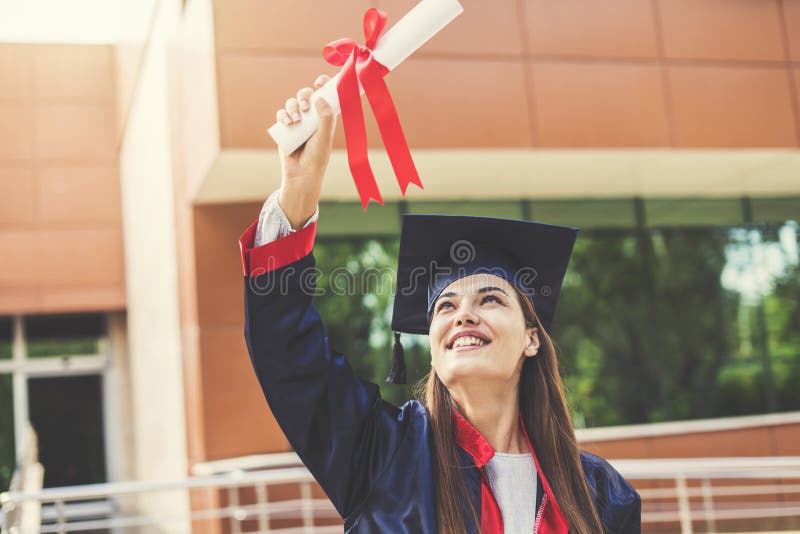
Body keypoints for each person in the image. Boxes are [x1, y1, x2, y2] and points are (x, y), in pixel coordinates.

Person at [238, 74, 641, 533]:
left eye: (490, 298)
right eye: (445, 307)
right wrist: (299, 189)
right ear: (431, 344)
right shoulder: (385, 455)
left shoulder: (602, 494)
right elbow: (286, 353)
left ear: (532, 338)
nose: (463, 314)